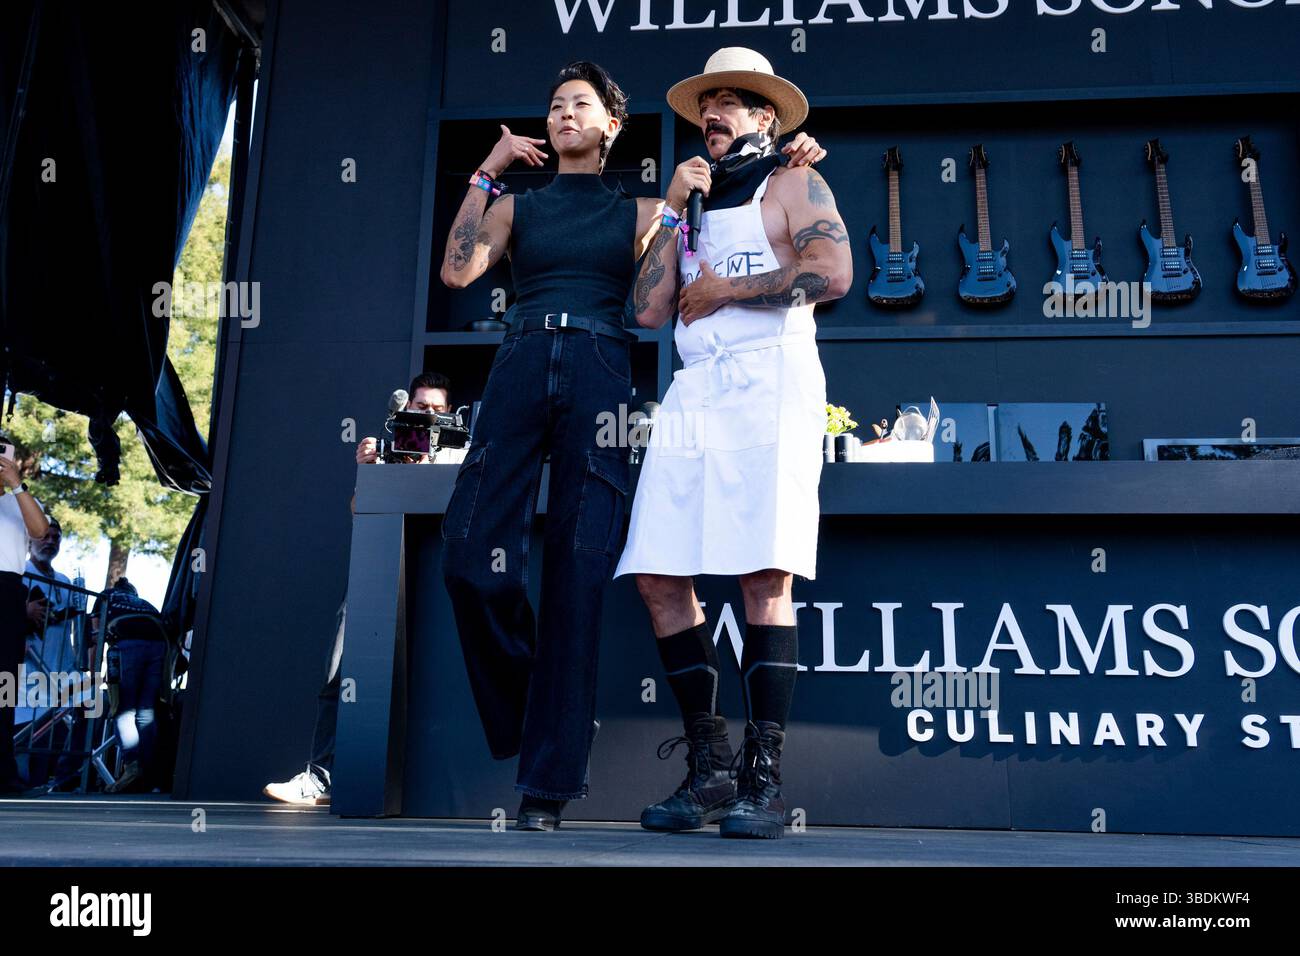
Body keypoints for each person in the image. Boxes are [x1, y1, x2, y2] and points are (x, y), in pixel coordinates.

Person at [438, 59, 829, 831]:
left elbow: (660, 296)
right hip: (520, 358)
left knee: (580, 579)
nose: (562, 114)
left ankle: (546, 789)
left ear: (613, 126)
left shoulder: (655, 204)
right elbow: (458, 272)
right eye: (553, 105)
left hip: (600, 368)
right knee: (467, 553)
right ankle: (531, 720)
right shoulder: (517, 205)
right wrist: (486, 169)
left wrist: (790, 157)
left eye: (579, 104)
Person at [615, 48, 853, 839]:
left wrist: (728, 288)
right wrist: (674, 211)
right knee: (654, 571)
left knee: (763, 573)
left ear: (766, 117)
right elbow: (647, 312)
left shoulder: (796, 182)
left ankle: (764, 778)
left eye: (732, 102)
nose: (713, 113)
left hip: (772, 381)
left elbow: (835, 272)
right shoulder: (681, 198)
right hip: (695, 389)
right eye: (705, 102)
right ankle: (711, 769)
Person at [263, 373, 459, 806]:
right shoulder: (389, 454)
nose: (426, 417)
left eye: (435, 411)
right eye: (419, 409)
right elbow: (359, 512)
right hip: (379, 580)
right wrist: (370, 473)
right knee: (339, 672)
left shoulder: (464, 454)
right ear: (403, 412)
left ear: (450, 416)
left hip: (441, 589)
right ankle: (322, 778)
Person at [0, 443, 50, 795]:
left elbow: (40, 531)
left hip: (5, 589)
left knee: (4, 684)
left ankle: (3, 771)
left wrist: (16, 483)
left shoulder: (17, 502)